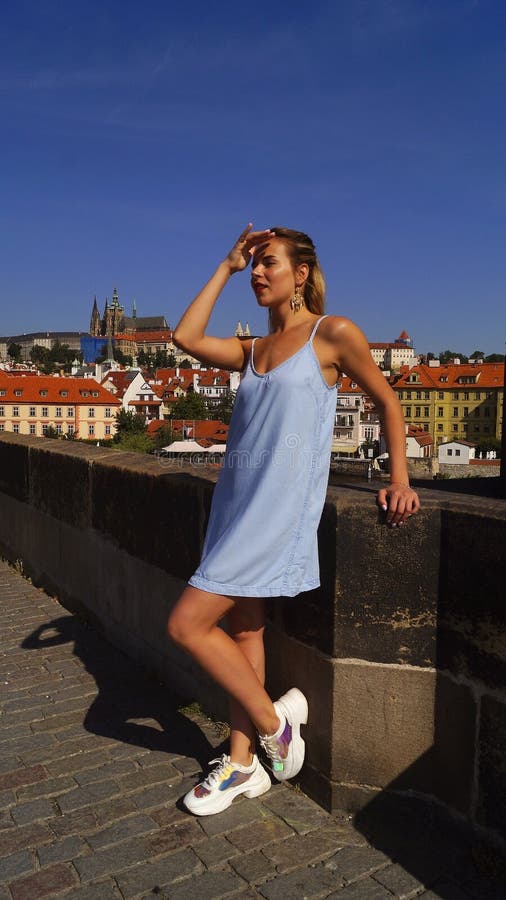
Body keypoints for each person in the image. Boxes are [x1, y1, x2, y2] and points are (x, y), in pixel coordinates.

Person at [167, 224, 420, 816]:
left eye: (267, 263)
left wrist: (400, 479)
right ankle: (242, 762)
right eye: (253, 265)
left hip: (276, 517)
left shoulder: (331, 335)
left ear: (301, 274)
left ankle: (273, 725)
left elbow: (387, 399)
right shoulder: (252, 349)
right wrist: (226, 264)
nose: (258, 273)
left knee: (186, 624)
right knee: (246, 631)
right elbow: (184, 336)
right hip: (234, 507)